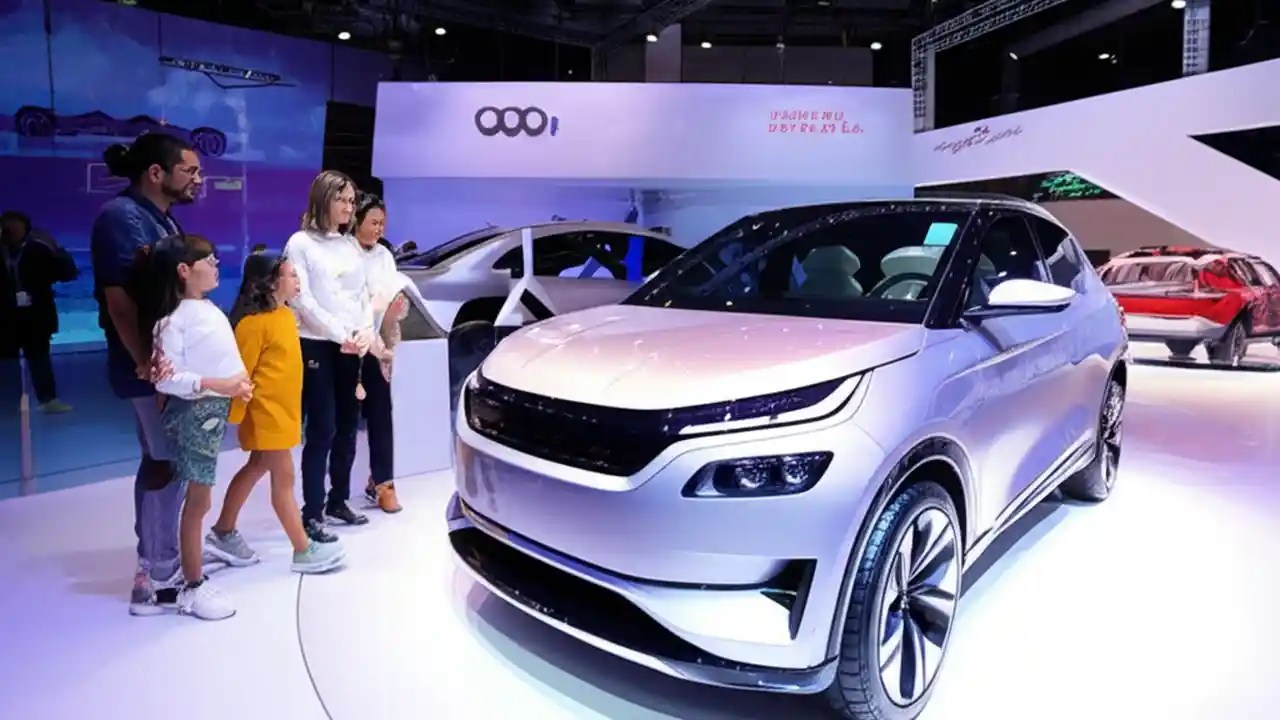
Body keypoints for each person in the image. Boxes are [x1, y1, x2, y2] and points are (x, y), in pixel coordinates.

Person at [90, 133, 203, 616]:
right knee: (163, 461)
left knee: (168, 460)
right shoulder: (121, 219)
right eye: (190, 171)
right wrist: (148, 364)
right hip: (150, 368)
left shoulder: (159, 219)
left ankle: (160, 556)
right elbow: (120, 302)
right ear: (156, 173)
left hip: (167, 365)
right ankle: (156, 577)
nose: (199, 179)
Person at [205, 251, 347, 573]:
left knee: (256, 467)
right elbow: (242, 373)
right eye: (292, 275)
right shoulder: (252, 326)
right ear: (271, 283)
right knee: (283, 480)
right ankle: (303, 549)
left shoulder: (284, 317)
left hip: (283, 414)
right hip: (266, 415)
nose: (297, 281)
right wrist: (235, 416)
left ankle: (223, 531)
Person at [144, 233, 251, 621]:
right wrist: (219, 384)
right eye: (209, 260)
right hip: (193, 415)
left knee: (200, 497)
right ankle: (192, 584)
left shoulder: (205, 312)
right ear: (185, 270)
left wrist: (234, 384)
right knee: (198, 501)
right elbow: (166, 379)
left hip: (211, 413)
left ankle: (191, 575)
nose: (216, 265)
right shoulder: (171, 324)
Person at [284, 170, 375, 542]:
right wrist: (340, 334)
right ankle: (312, 511)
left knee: (348, 426)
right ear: (324, 199)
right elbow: (300, 298)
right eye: (343, 199)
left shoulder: (351, 245)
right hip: (317, 345)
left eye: (352, 201)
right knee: (321, 428)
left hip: (352, 346)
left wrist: (366, 330)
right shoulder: (300, 243)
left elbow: (362, 294)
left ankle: (339, 499)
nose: (349, 207)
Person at [351, 193, 404, 513]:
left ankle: (383, 482)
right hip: (344, 340)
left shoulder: (384, 255)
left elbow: (390, 291)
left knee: (382, 413)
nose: (378, 229)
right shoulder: (342, 252)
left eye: (382, 223)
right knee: (342, 421)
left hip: (376, 345)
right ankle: (335, 492)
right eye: (373, 222)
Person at [1, 210, 77, 413]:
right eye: (7, 227)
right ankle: (9, 402)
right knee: (7, 362)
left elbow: (68, 274)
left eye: (16, 226)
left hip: (36, 316)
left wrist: (57, 250)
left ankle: (48, 400)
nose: (11, 231)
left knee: (40, 359)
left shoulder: (39, 249)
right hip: (6, 317)